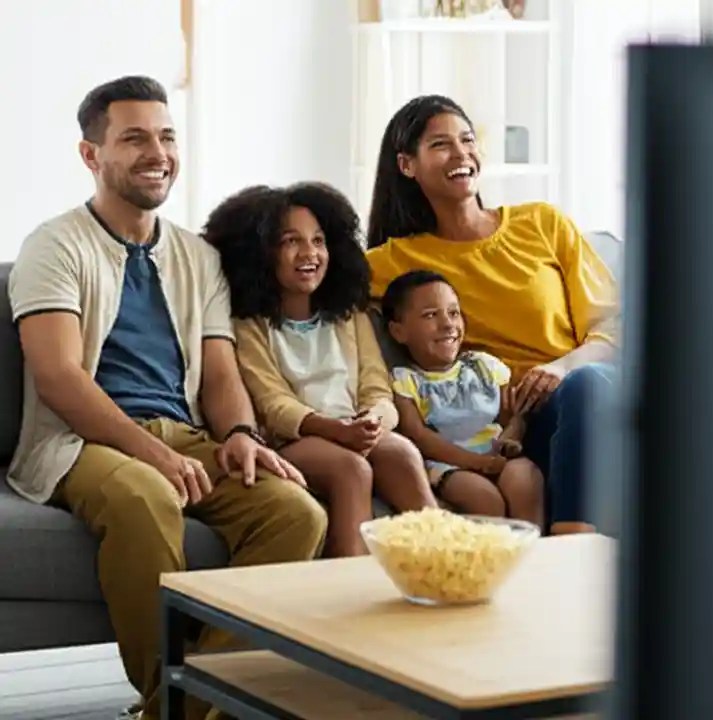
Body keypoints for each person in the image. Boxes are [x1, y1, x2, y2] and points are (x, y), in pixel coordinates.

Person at [6, 76, 327, 720]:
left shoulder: (196, 256)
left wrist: (241, 435)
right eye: (134, 138)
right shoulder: (54, 245)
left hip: (185, 436)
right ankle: (182, 704)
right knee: (145, 495)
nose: (157, 152)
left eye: (166, 135)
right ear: (91, 155)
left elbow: (219, 371)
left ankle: (183, 707)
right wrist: (150, 452)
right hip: (83, 442)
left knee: (297, 513)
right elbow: (61, 378)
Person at [364, 95, 618, 535]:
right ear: (407, 165)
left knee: (587, 386)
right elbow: (313, 283)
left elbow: (610, 326)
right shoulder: (392, 262)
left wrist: (559, 369)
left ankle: (572, 535)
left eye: (467, 140)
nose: (461, 154)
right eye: (441, 145)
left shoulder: (542, 223)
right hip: (515, 425)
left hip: (584, 388)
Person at [201, 182, 439, 558]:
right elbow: (271, 403)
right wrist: (332, 430)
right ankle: (347, 591)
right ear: (260, 253)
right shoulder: (246, 325)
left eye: (319, 240)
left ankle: (444, 565)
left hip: (353, 427)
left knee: (402, 453)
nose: (309, 253)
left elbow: (378, 388)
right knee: (351, 470)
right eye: (290, 241)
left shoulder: (350, 315)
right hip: (293, 440)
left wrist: (372, 421)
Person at [381, 269, 544, 526]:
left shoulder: (484, 365)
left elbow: (513, 416)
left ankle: (533, 553)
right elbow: (419, 436)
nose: (447, 324)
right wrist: (477, 463)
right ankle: (488, 560)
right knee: (485, 499)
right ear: (399, 332)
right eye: (430, 315)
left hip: (495, 454)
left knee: (525, 477)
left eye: (454, 313)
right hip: (449, 464)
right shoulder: (405, 380)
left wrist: (511, 435)